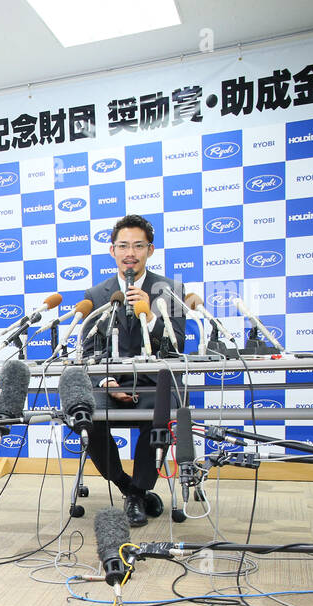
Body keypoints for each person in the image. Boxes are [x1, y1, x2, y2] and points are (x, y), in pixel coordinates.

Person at [78, 213, 187, 527]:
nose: (130, 253)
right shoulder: (96, 295)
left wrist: (152, 316)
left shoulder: (171, 290)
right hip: (110, 384)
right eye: (123, 245)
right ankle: (127, 485)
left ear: (149, 251)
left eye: (138, 246)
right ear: (112, 251)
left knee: (160, 411)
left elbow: (176, 347)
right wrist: (107, 381)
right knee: (87, 414)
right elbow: (88, 351)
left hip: (153, 384)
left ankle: (138, 492)